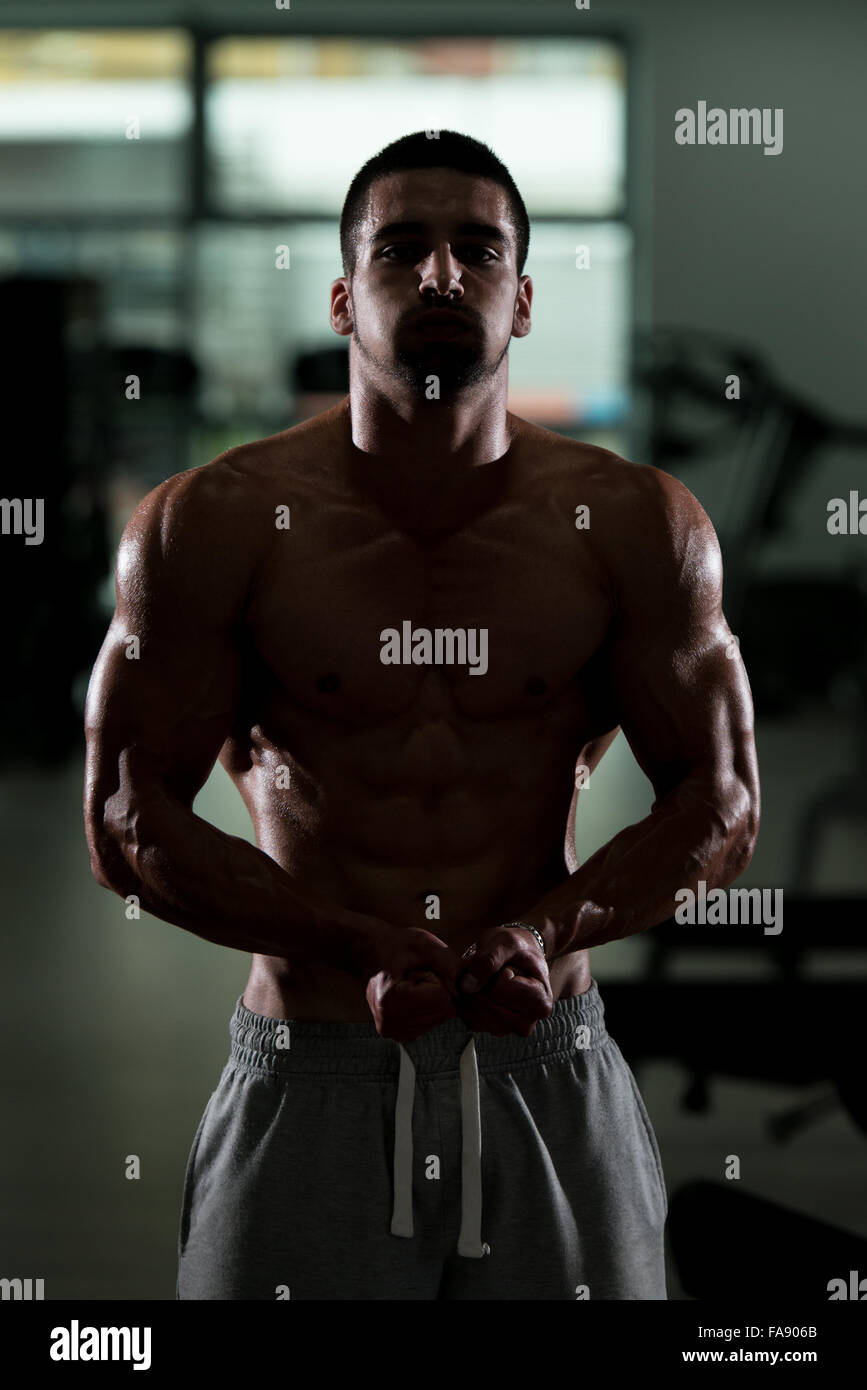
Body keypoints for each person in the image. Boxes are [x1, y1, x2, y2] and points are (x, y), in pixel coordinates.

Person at [84, 130, 760, 1300]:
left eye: (477, 249)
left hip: (542, 1066)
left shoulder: (634, 525)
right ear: (346, 296)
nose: (442, 274)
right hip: (314, 1066)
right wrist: (351, 942)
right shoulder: (214, 527)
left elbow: (723, 797)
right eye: (402, 248)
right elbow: (122, 815)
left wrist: (547, 935)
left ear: (524, 297)